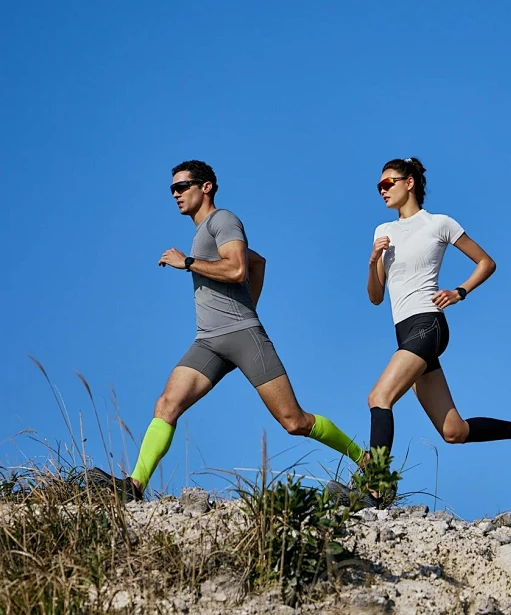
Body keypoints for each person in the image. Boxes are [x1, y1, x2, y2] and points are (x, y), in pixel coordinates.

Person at [88, 160, 365, 501]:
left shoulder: (223, 220)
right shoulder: (202, 231)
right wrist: (248, 300)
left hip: (243, 336)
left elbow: (237, 269)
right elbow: (257, 262)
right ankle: (134, 487)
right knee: (166, 405)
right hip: (207, 342)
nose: (175, 194)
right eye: (171, 189)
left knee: (294, 422)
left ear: (205, 187)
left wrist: (188, 264)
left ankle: (367, 461)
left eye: (181, 186)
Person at [331, 156, 511, 508]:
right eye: (379, 186)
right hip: (405, 333)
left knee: (379, 398)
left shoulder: (439, 224)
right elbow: (375, 296)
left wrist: (460, 292)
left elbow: (486, 262)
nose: (382, 191)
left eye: (388, 183)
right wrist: (372, 261)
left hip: (427, 325)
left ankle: (376, 489)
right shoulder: (383, 232)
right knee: (453, 431)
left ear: (409, 182)